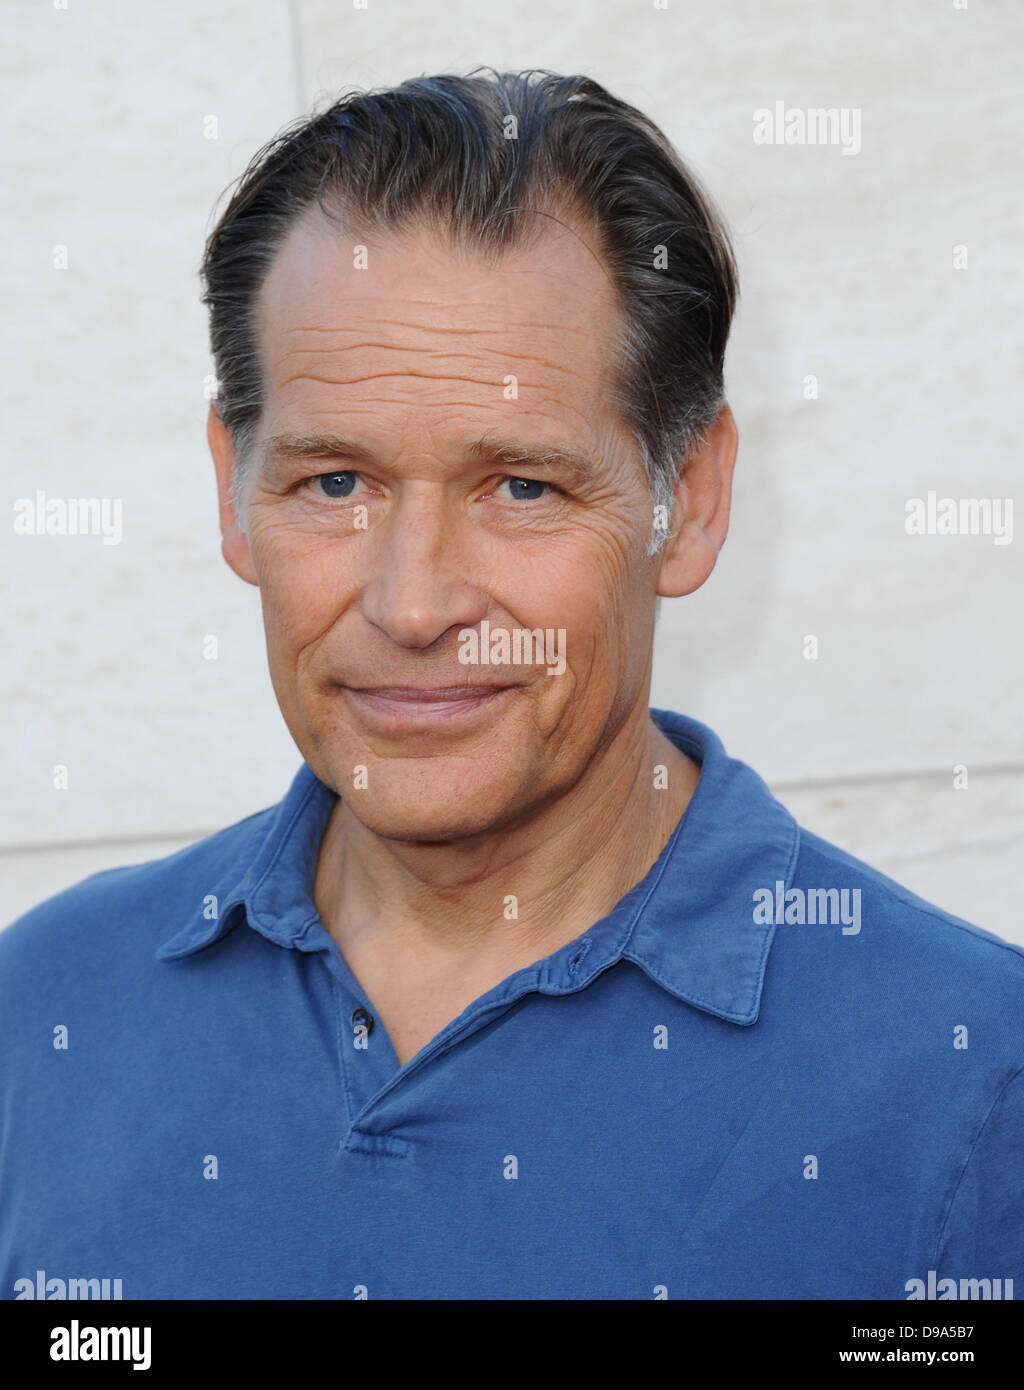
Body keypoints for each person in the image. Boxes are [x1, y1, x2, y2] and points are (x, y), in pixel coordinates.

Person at [2, 69, 1022, 1301]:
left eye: (522, 488)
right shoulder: (40, 1007)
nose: (414, 603)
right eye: (335, 483)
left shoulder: (974, 1079)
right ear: (233, 487)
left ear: (686, 501)